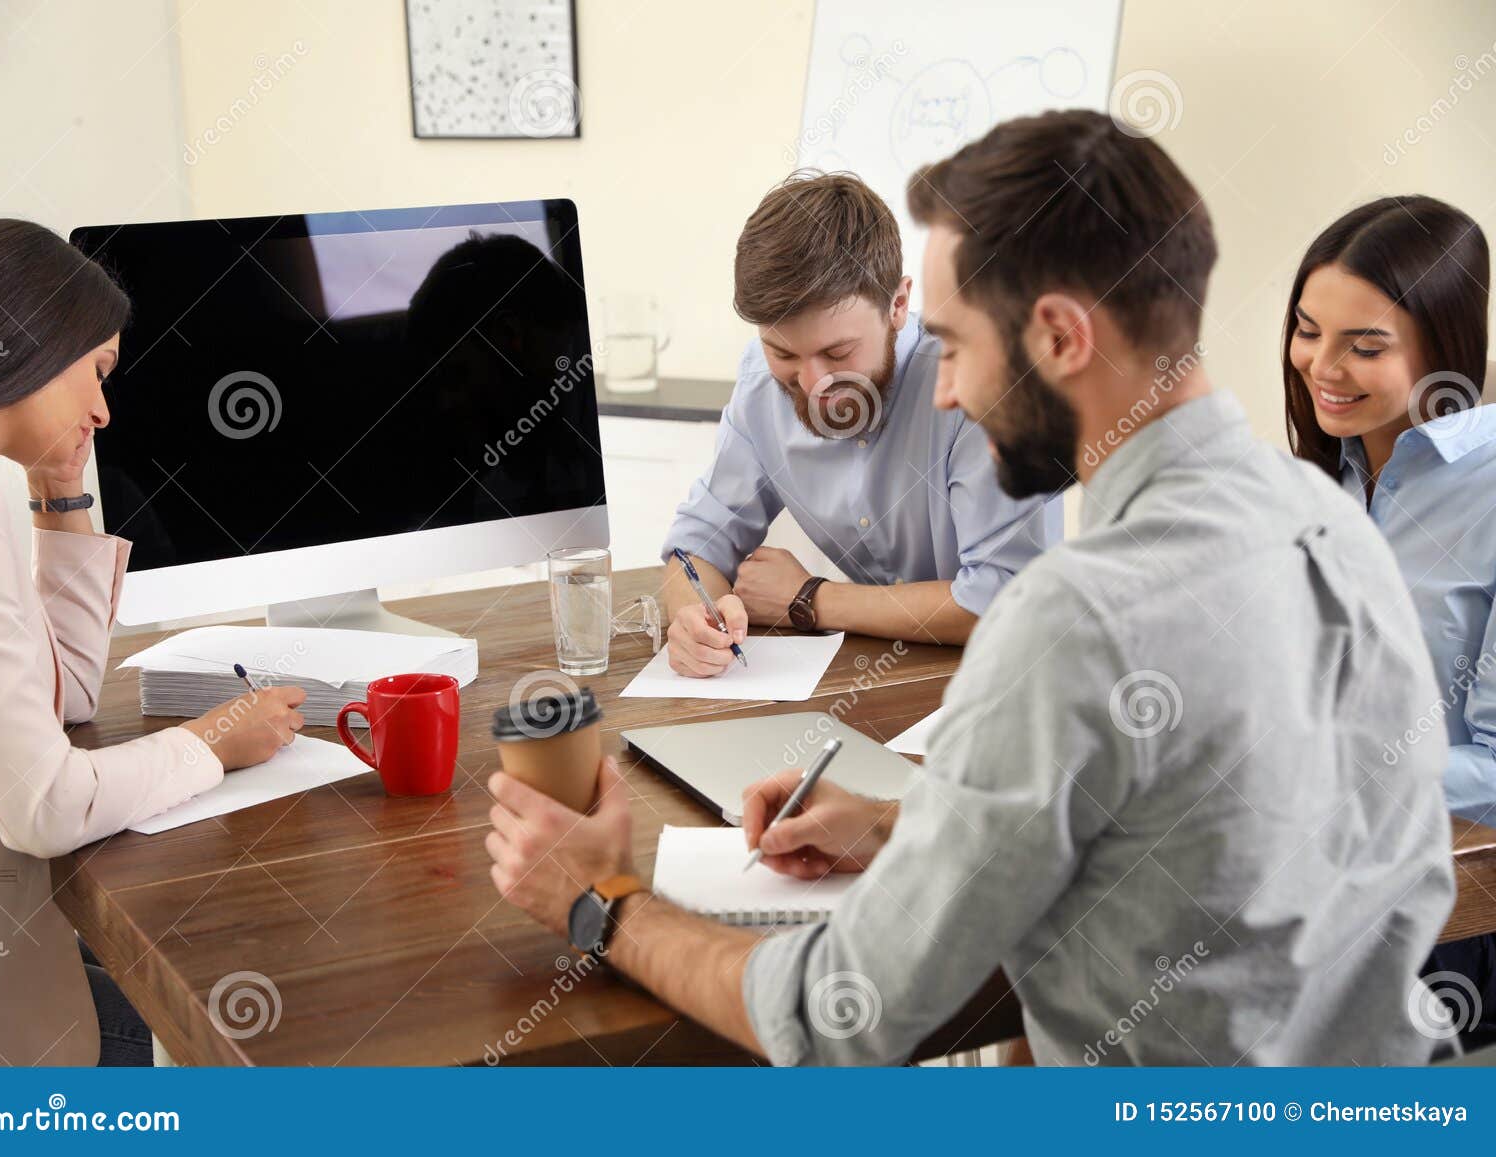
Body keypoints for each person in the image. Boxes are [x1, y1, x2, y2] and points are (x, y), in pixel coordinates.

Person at [487, 110, 1455, 1065]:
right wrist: (906, 827)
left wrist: (601, 897)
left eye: (952, 346)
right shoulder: (1338, 522)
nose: (942, 390)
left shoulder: (1073, 614)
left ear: (1060, 337)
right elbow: (1314, 862)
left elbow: (834, 1016)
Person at [0, 219, 307, 1066]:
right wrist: (213, 741)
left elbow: (67, 695)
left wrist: (58, 485)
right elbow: (45, 805)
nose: (102, 409)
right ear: (31, 339)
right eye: (97, 371)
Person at [660, 172, 1058, 678]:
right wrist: (698, 620)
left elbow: (1008, 598)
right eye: (783, 352)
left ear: (897, 304)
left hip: (1019, 680)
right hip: (879, 683)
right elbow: (696, 546)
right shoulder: (761, 385)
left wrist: (810, 599)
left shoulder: (982, 384)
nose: (813, 383)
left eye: (837, 352)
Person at [1282, 194, 1495, 1049]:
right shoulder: (1320, 478)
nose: (1321, 366)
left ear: (1444, 350)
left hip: (1451, 902)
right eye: (1307, 329)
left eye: (1365, 346)